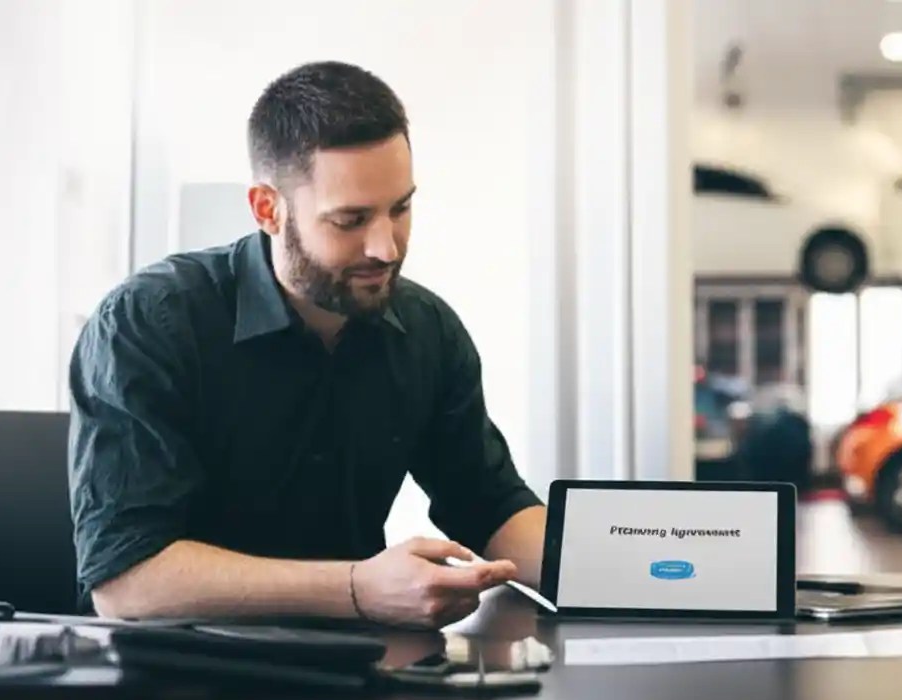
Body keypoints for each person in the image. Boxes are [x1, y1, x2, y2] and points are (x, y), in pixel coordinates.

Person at [68, 61, 547, 629]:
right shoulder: (147, 323)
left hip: (357, 674)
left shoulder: (428, 330)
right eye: (350, 220)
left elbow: (491, 505)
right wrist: (357, 588)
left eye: (400, 209)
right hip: (174, 683)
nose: (386, 247)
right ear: (268, 209)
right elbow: (127, 582)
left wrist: (635, 570)